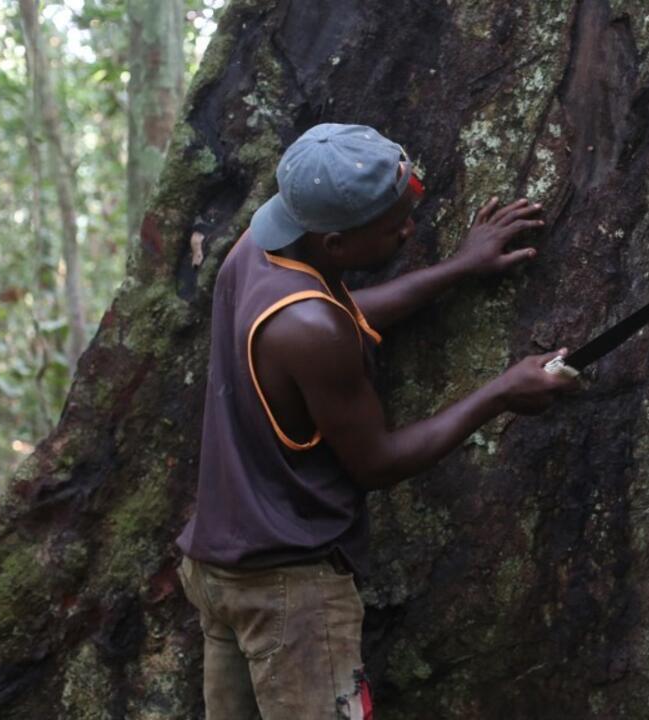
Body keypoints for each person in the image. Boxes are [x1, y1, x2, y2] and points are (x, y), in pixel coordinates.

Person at [175, 123, 577, 719]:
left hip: (219, 566)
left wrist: (460, 268)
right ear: (334, 245)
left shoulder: (260, 250)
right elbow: (376, 462)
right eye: (394, 226)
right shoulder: (312, 330)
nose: (409, 229)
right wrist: (500, 393)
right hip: (289, 592)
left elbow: (336, 316)